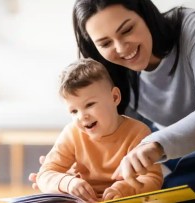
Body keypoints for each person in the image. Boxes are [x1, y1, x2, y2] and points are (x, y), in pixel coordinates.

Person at [29, 0, 195, 202]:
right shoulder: (109, 70)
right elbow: (118, 136)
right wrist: (64, 176)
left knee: (173, 194)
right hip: (169, 157)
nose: (121, 48)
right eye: (105, 43)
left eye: (127, 29)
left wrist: (154, 146)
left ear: (144, 14)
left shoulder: (192, 27)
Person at [36, 58, 163, 202]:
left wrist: (124, 188)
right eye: (73, 111)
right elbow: (44, 174)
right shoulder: (72, 134)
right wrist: (68, 183)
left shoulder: (138, 132)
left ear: (115, 97)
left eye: (90, 104)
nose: (82, 116)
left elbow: (153, 178)